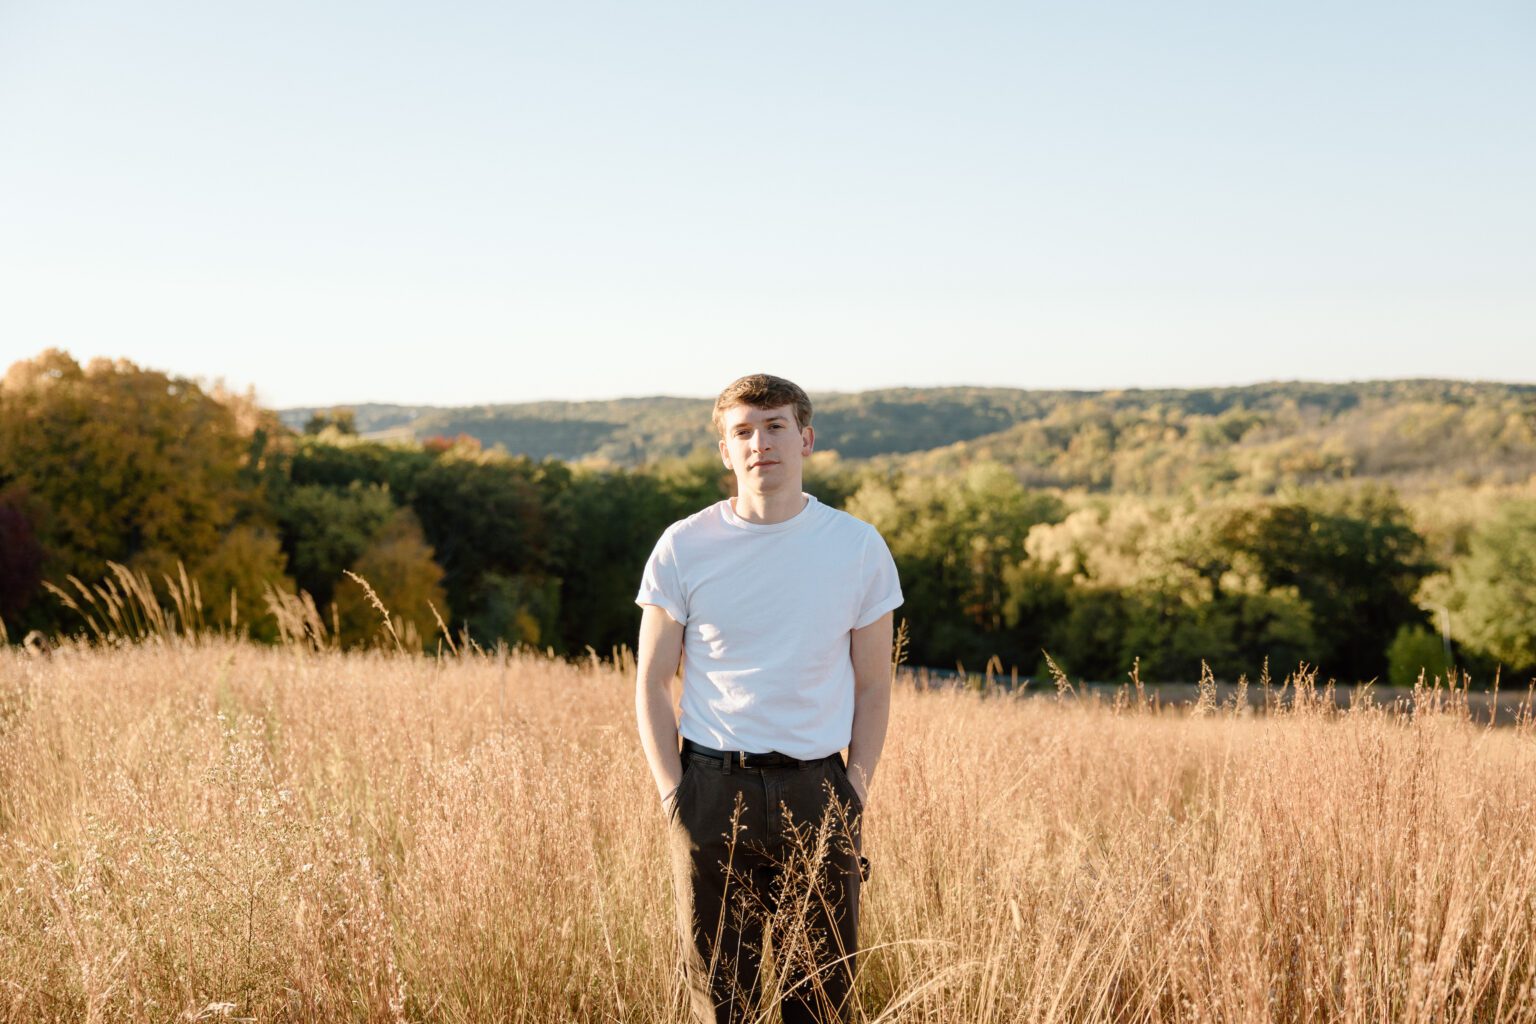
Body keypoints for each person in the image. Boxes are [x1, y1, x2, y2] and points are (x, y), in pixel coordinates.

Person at [634, 373, 903, 1024]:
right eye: (743, 432)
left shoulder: (857, 547)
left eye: (776, 426)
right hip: (711, 788)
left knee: (821, 993)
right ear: (726, 452)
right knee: (721, 996)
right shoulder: (684, 546)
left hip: (820, 790)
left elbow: (874, 684)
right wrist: (674, 794)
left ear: (805, 439)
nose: (761, 444)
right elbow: (649, 681)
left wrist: (855, 788)